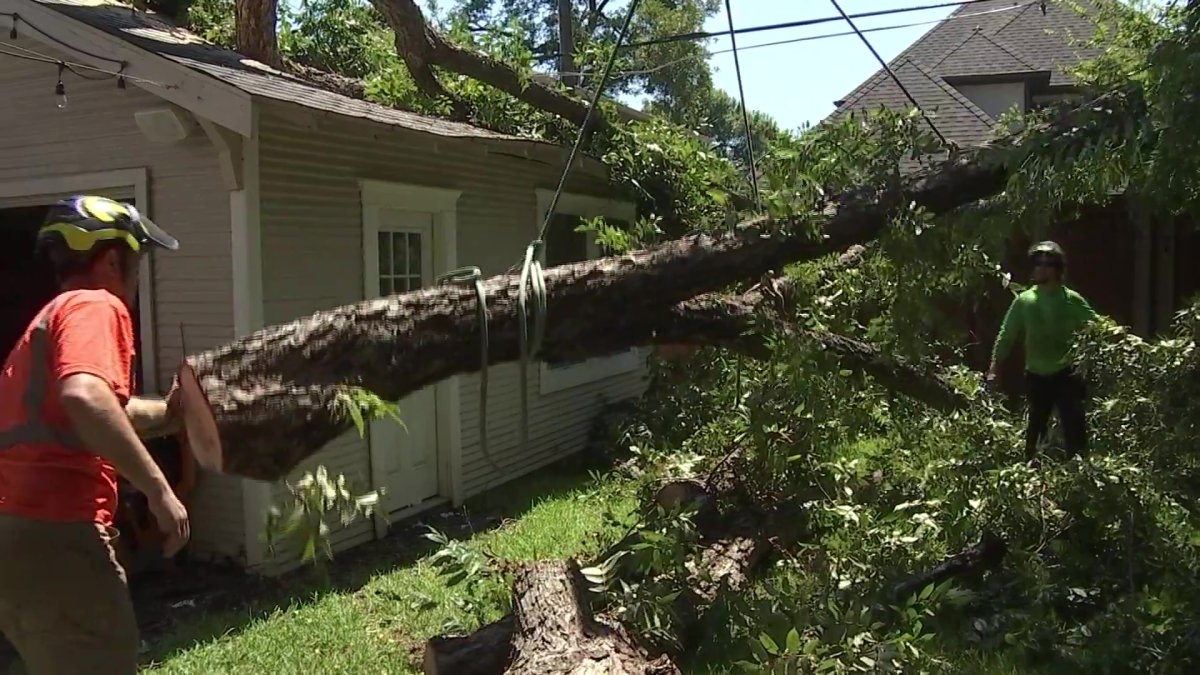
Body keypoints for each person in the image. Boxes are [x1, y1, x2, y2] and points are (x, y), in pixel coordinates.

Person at [0, 195, 190, 674]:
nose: (136, 276)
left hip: (17, 532)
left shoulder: (51, 317)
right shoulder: (95, 305)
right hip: (58, 531)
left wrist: (170, 413)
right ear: (110, 259)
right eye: (136, 260)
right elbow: (86, 398)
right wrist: (159, 491)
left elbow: (109, 410)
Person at [988, 240, 1100, 459]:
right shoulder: (1024, 301)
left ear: (1057, 268)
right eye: (1037, 263)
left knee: (1074, 427)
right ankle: (1032, 473)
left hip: (1067, 372)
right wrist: (994, 367)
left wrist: (1122, 340)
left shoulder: (1071, 300)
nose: (1040, 268)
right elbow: (1006, 334)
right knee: (1036, 429)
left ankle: (1079, 475)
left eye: (1046, 264)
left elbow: (1097, 326)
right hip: (1037, 374)